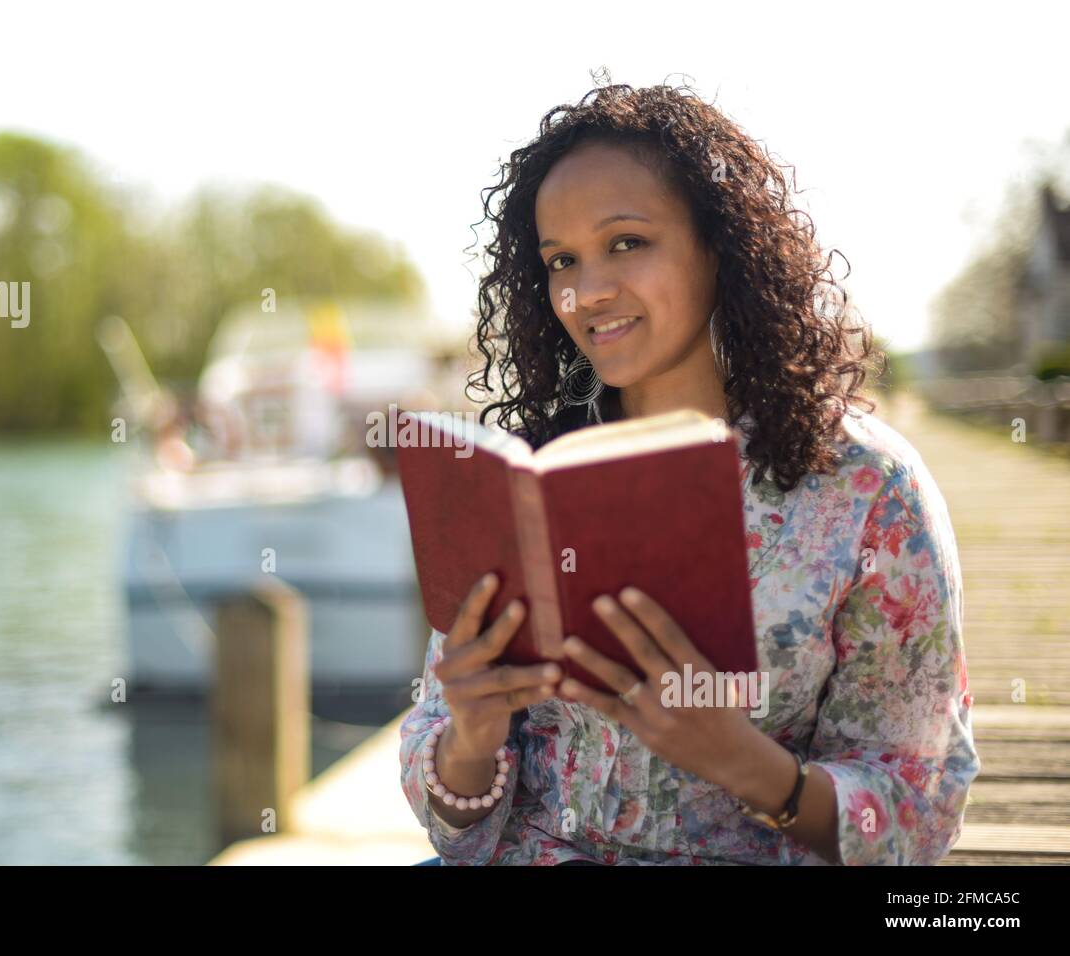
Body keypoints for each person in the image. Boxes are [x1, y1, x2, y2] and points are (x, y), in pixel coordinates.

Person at [399, 81, 979, 865]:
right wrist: (470, 736)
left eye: (627, 242)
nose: (587, 290)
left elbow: (914, 808)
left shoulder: (867, 488)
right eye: (561, 260)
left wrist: (743, 761)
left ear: (720, 243)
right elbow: (441, 789)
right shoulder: (527, 477)